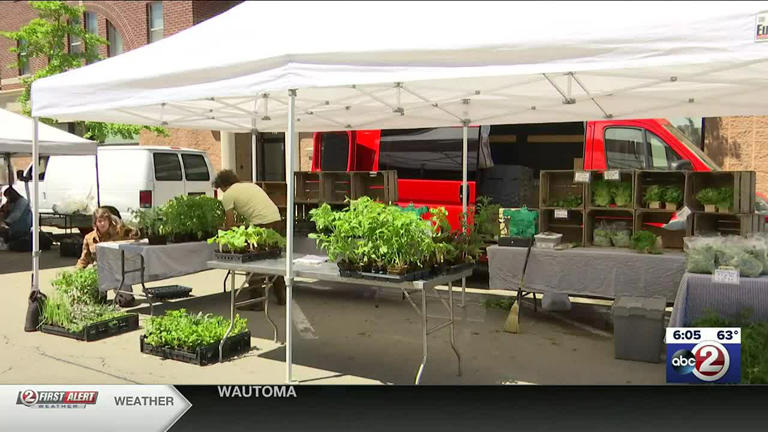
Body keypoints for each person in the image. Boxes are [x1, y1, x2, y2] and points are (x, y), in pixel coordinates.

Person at [213, 169, 286, 310]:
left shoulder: (228, 195)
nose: (221, 192)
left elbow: (229, 224)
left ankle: (256, 301)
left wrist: (221, 228)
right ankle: (281, 295)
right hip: (276, 220)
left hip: (261, 224)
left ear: (223, 185)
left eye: (221, 189)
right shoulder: (250, 185)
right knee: (273, 257)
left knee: (254, 260)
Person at [77, 206, 138, 306]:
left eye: (105, 220)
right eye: (99, 221)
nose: (102, 223)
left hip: (118, 270)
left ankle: (124, 295)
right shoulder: (89, 238)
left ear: (109, 221)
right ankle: (101, 294)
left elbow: (136, 234)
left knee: (126, 302)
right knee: (97, 302)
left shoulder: (119, 231)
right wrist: (76, 273)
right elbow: (84, 259)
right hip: (99, 271)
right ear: (95, 223)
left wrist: (133, 231)